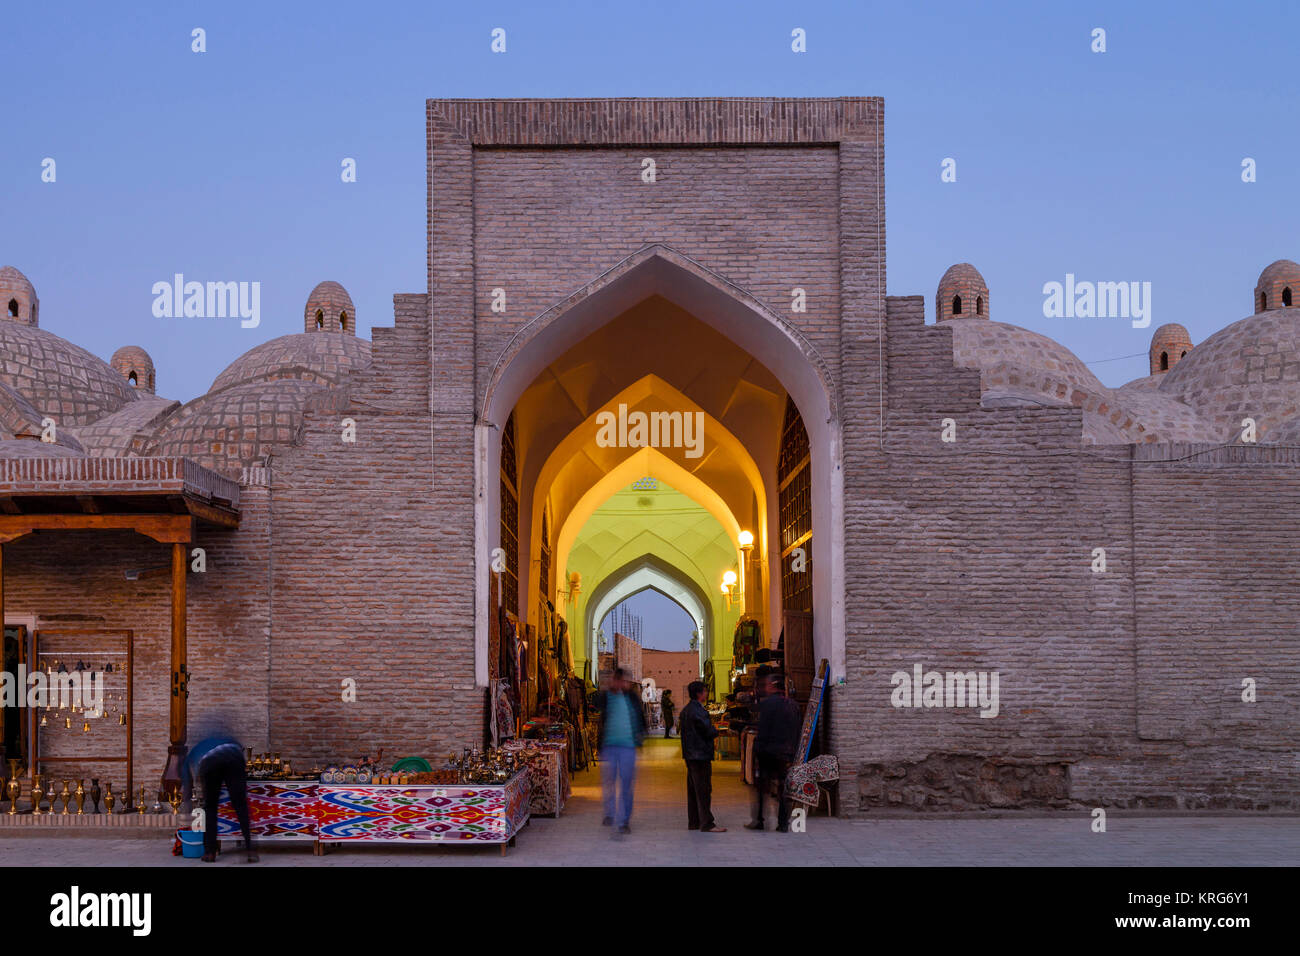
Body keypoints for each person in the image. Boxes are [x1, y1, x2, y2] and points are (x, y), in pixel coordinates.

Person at [181, 722, 256, 863]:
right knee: (240, 805)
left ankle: (210, 852)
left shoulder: (197, 748)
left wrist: (187, 802)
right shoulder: (230, 741)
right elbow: (240, 751)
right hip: (234, 757)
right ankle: (250, 850)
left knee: (210, 808)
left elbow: (185, 771)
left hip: (211, 762)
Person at [746, 673, 801, 833]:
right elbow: (796, 730)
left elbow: (763, 729)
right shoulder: (793, 705)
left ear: (772, 686)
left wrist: (757, 749)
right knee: (783, 787)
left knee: (761, 786)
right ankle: (783, 823)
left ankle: (759, 821)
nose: (766, 687)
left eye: (767, 685)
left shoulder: (768, 704)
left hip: (767, 752)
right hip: (785, 752)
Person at [593, 668, 644, 834]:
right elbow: (594, 703)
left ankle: (624, 821)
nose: (622, 683)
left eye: (624, 681)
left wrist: (640, 739)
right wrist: (607, 688)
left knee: (626, 785)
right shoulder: (606, 697)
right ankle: (609, 813)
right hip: (609, 747)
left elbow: (640, 718)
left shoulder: (632, 698)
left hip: (628, 748)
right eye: (619, 680)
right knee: (609, 783)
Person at [680, 680, 725, 832]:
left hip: (690, 754)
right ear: (700, 693)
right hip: (700, 755)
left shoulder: (687, 710)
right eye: (705, 691)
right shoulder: (698, 711)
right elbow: (707, 731)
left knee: (693, 790)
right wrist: (717, 729)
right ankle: (707, 823)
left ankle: (694, 821)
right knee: (703, 789)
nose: (706, 694)